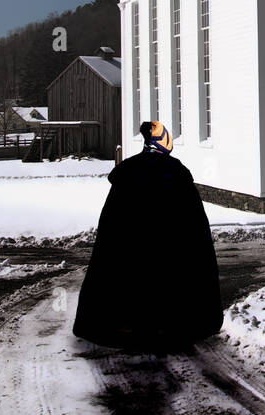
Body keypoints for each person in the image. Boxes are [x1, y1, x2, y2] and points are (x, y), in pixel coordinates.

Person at [73, 121, 223, 351]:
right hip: (169, 246)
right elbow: (193, 220)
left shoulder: (130, 171)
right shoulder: (175, 172)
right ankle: (165, 326)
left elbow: (112, 220)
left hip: (130, 246)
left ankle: (129, 325)